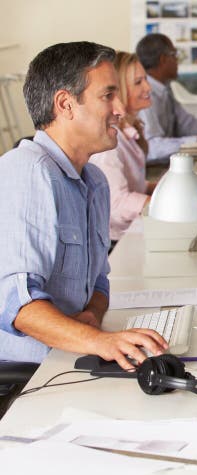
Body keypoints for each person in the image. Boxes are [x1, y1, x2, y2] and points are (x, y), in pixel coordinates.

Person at [0, 42, 167, 369]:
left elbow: (99, 282)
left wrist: (92, 316)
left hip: (70, 353)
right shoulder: (28, 172)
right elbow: (15, 301)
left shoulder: (93, 180)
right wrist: (99, 341)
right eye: (108, 96)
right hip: (33, 370)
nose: (120, 108)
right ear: (66, 104)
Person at [89, 51, 197, 244]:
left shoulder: (130, 132)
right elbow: (119, 203)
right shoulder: (111, 144)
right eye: (138, 82)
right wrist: (176, 202)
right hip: (119, 242)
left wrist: (188, 188)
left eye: (145, 80)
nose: (148, 87)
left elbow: (139, 185)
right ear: (120, 90)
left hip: (135, 231)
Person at [135, 33, 197, 163]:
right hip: (151, 169)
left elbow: (185, 121)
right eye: (174, 55)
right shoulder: (145, 95)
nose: (177, 61)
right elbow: (152, 147)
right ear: (163, 59)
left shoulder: (165, 89)